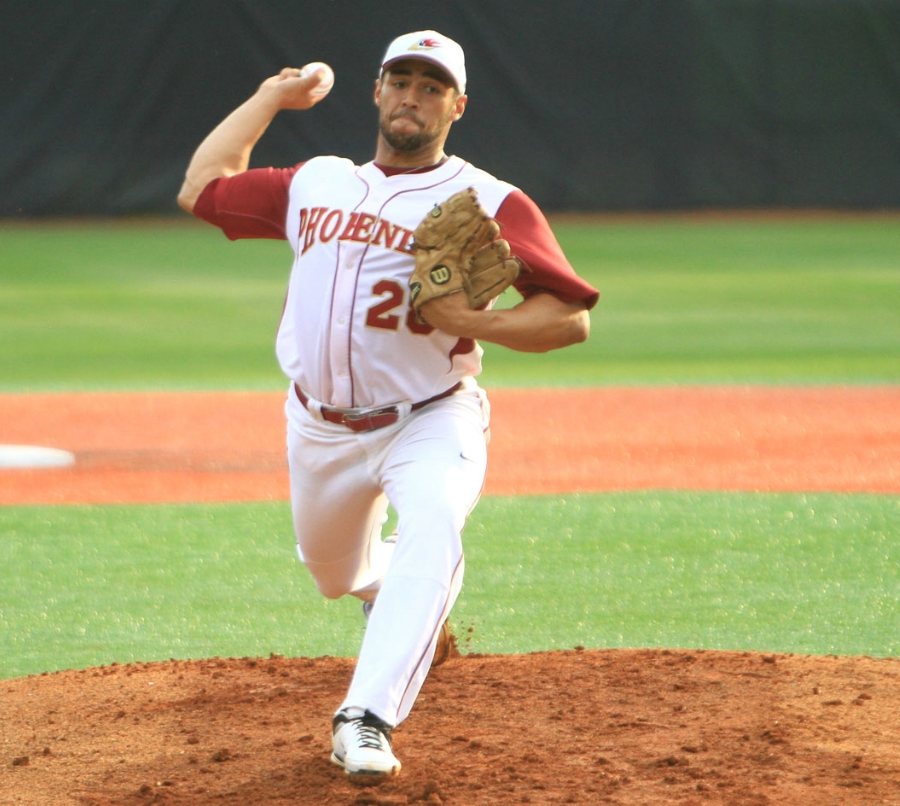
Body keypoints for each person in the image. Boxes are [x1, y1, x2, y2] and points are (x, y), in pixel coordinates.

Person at [177, 30, 599, 781]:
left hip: (431, 416)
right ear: (377, 91)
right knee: (332, 575)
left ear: (457, 106)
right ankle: (390, 591)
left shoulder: (490, 201)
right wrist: (270, 97)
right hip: (319, 428)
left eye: (432, 87)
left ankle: (365, 718)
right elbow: (202, 189)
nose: (413, 97)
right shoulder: (318, 182)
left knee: (434, 522)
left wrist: (473, 323)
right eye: (401, 81)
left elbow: (569, 319)